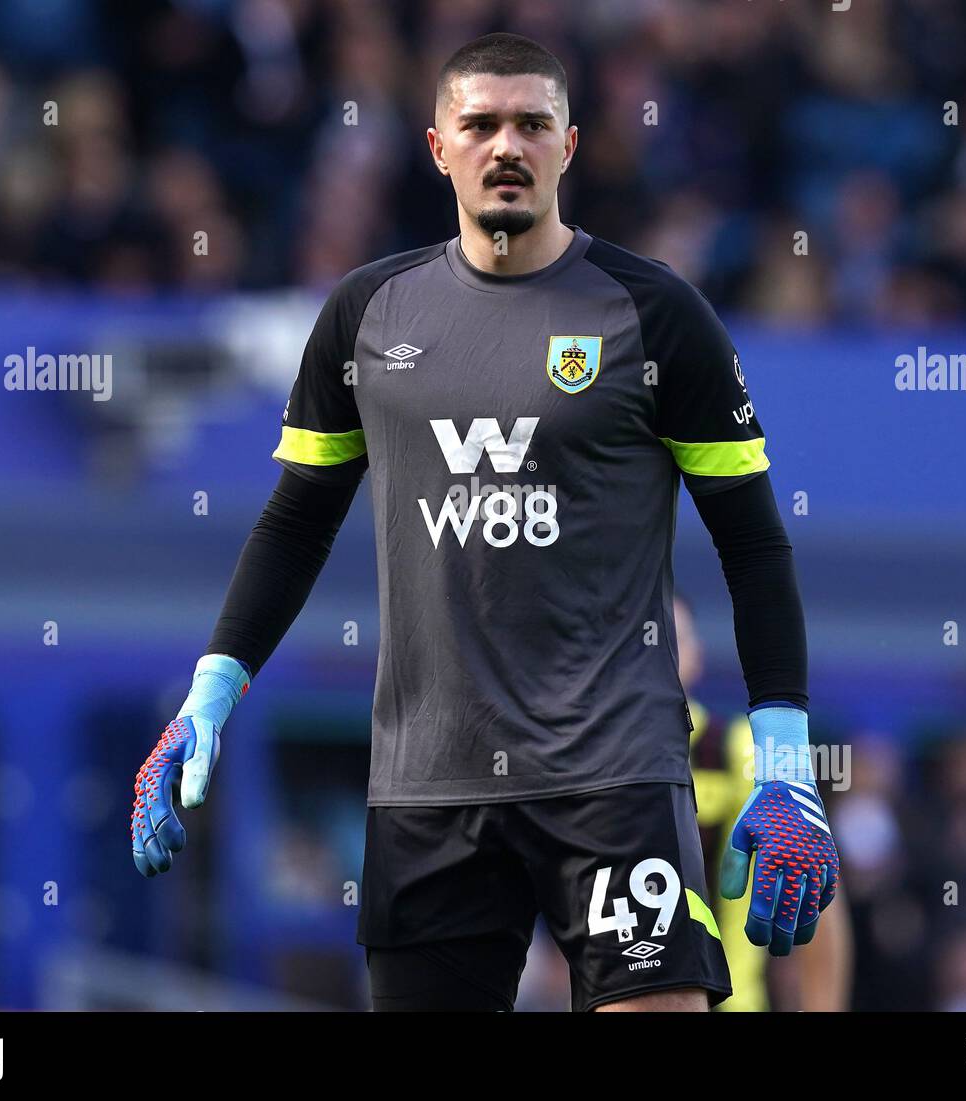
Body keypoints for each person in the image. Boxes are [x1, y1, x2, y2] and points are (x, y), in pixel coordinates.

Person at [130, 31, 839, 1013]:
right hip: (430, 781)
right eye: (481, 124)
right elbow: (296, 523)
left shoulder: (656, 315)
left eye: (531, 124)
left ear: (569, 145)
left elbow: (753, 543)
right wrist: (206, 702)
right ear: (437, 146)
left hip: (614, 773)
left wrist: (788, 762)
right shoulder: (365, 316)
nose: (506, 145)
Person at [677, 594, 852, 1011]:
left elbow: (821, 888)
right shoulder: (589, 756)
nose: (658, 655)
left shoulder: (741, 751)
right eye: (645, 641)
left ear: (697, 658)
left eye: (674, 640)